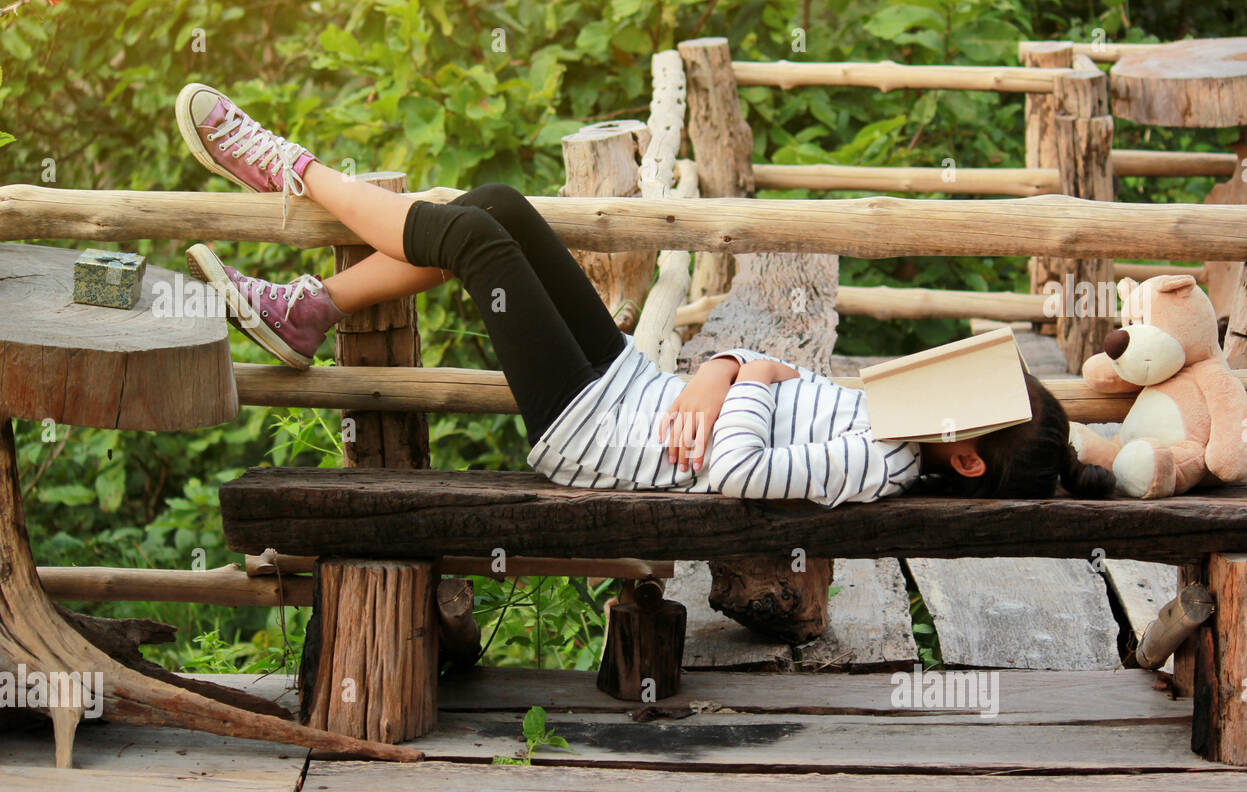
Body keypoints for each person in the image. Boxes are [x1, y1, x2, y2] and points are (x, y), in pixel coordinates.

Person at [175, 82, 1114, 508]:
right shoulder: (899, 424)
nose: (940, 379)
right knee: (499, 205)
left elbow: (740, 476)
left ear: (966, 462)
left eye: (965, 395)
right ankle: (307, 313)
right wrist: (735, 367)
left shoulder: (880, 466)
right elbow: (779, 369)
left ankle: (287, 166)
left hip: (594, 434)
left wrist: (730, 381)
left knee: (470, 239)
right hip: (633, 386)